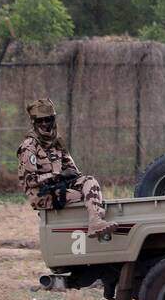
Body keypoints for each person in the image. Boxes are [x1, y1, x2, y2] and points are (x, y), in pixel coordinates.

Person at [17, 98, 117, 238]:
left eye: (48, 119)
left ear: (53, 120)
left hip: (60, 187)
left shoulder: (57, 142)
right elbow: (30, 181)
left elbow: (73, 171)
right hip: (42, 194)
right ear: (34, 123)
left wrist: (70, 175)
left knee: (89, 182)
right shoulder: (29, 146)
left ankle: (96, 221)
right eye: (40, 121)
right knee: (83, 196)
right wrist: (57, 175)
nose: (45, 124)